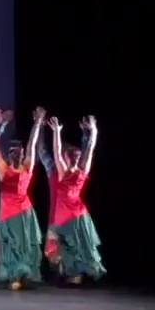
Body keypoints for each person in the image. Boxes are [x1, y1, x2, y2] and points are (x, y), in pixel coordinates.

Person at [0, 107, 46, 290]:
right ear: (10, 153)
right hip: (7, 213)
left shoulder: (27, 166)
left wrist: (37, 123)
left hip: (24, 212)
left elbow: (31, 144)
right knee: (9, 245)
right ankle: (13, 275)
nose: (17, 153)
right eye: (13, 151)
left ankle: (23, 274)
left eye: (19, 151)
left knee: (24, 244)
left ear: (21, 154)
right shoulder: (4, 169)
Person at [45, 116, 104, 284]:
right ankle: (69, 273)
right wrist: (56, 132)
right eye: (74, 156)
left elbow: (90, 150)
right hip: (65, 213)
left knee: (79, 244)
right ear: (68, 156)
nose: (77, 158)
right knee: (65, 245)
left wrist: (94, 131)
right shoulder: (64, 171)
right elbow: (57, 152)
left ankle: (78, 273)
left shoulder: (81, 170)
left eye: (78, 156)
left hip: (76, 212)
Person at [36, 113, 93, 269]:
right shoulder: (55, 170)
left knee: (72, 245)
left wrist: (87, 134)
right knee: (56, 250)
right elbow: (41, 151)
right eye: (67, 154)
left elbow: (84, 156)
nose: (70, 157)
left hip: (71, 213)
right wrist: (39, 127)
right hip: (56, 213)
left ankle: (72, 270)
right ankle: (61, 270)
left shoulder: (75, 173)